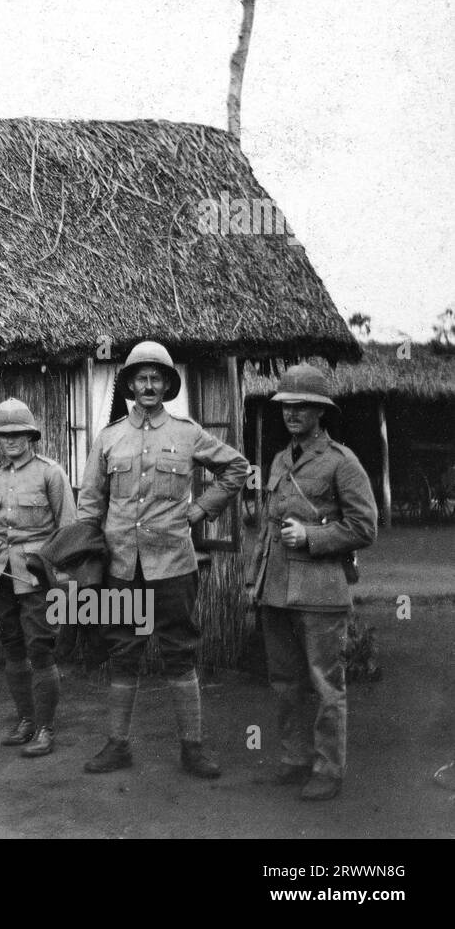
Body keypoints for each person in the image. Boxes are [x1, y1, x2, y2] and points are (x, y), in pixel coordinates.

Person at [77, 341, 248, 778]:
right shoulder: (109, 436)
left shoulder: (187, 433)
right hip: (121, 568)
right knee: (123, 652)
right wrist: (86, 550)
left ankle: (193, 748)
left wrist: (200, 510)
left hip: (173, 565)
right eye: (142, 378)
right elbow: (91, 502)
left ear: (167, 385)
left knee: (180, 652)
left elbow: (237, 468)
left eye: (157, 378)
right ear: (131, 386)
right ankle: (117, 745)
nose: (149, 385)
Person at [245, 364, 377, 801]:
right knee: (285, 682)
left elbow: (364, 527)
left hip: (320, 591)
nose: (292, 413)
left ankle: (328, 768)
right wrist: (255, 582)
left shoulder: (343, 462)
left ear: (321, 412)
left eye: (303, 405)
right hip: (277, 589)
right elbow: (267, 527)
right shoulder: (282, 459)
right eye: (286, 405)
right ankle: (294, 757)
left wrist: (312, 536)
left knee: (325, 684)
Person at [0, 398, 76, 756]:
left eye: (18, 433)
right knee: (12, 648)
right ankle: (25, 720)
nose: (11, 440)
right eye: (3, 435)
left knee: (40, 649)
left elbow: (69, 531)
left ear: (31, 436)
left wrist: (63, 583)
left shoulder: (50, 473)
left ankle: (45, 728)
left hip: (38, 576)